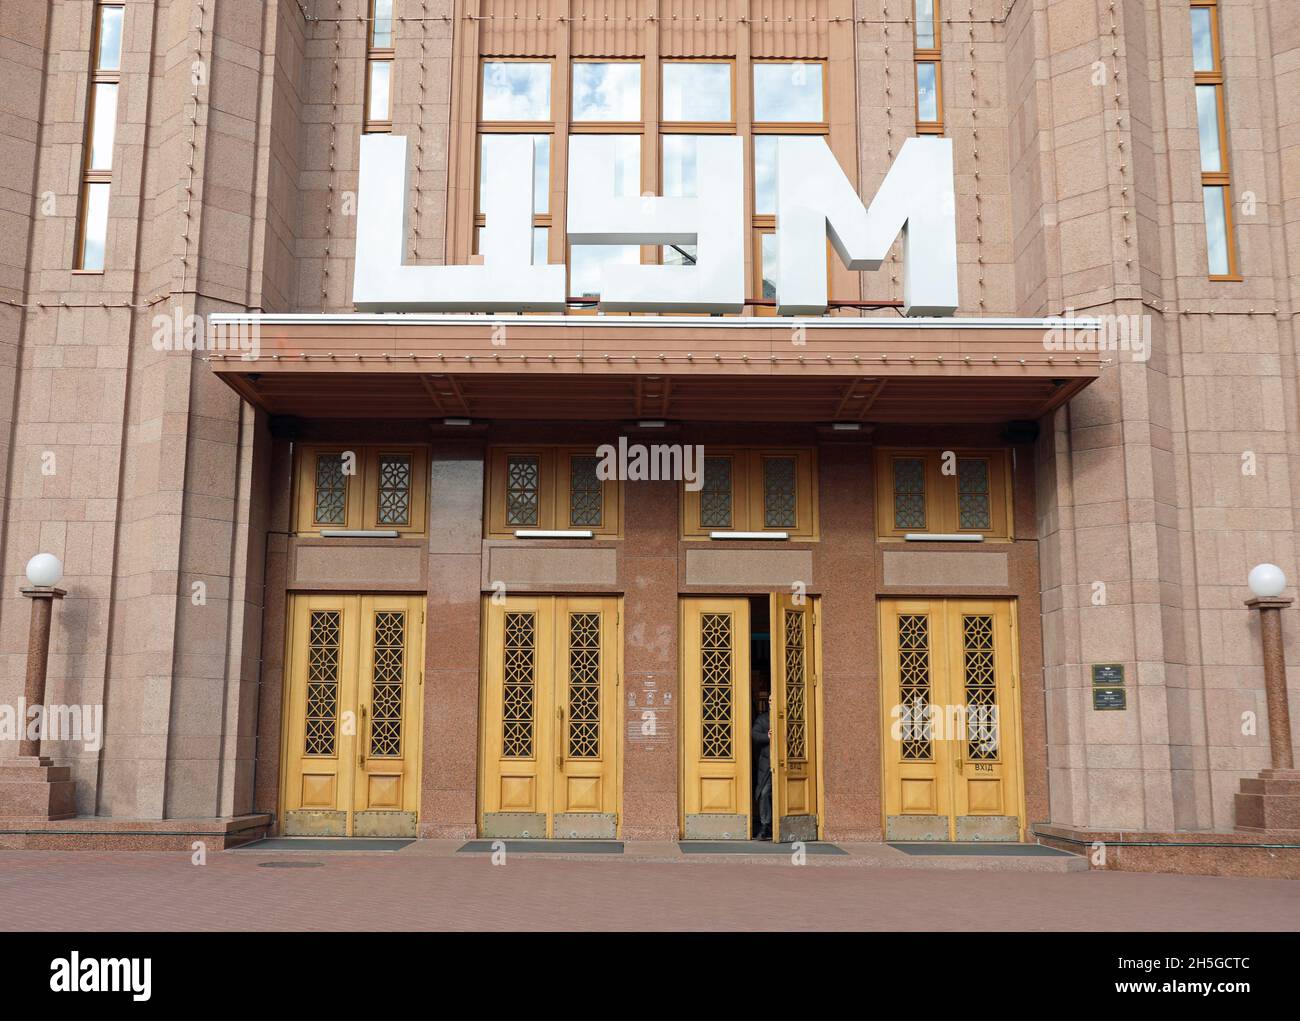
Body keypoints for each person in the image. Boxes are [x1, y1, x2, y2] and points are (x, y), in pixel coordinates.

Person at [752, 700, 772, 840]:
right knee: (764, 793)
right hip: (766, 765)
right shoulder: (763, 719)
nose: (772, 702)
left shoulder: (789, 716)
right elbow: (754, 735)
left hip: (786, 765)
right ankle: (765, 825)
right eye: (770, 700)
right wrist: (768, 737)